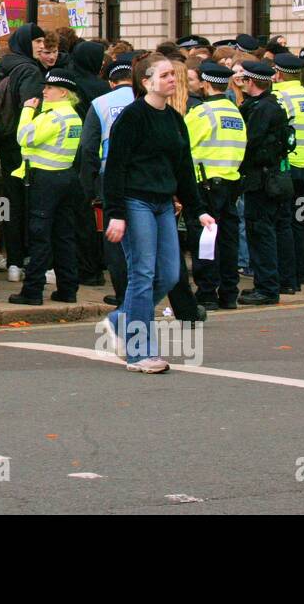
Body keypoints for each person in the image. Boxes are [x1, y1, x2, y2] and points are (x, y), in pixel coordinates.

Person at [101, 53, 214, 373]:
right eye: (164, 75)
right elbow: (115, 169)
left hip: (164, 204)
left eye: (172, 75)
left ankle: (120, 319)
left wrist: (199, 210)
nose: (171, 79)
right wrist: (116, 213)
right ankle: (139, 353)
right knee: (142, 273)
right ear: (146, 82)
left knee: (169, 274)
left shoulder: (175, 118)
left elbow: (183, 169)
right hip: (135, 202)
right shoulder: (132, 117)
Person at [9, 68, 83, 305]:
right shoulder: (73, 116)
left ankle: (32, 291)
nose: (44, 91)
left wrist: (28, 110)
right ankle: (68, 289)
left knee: (40, 236)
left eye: (49, 88)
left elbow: (23, 137)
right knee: (64, 235)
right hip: (66, 177)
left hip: (44, 181)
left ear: (63, 92)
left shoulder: (51, 117)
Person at [184, 61, 246, 310]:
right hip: (231, 182)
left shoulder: (201, 112)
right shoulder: (235, 112)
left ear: (206, 84)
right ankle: (229, 292)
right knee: (228, 240)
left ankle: (207, 292)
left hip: (206, 184)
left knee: (205, 240)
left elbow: (184, 147)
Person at [0, 24, 47, 282]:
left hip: (4, 145)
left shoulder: (5, 68)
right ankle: (28, 260)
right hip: (24, 146)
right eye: (37, 42)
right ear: (27, 44)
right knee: (29, 204)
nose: (42, 47)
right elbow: (30, 106)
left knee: (7, 204)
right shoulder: (31, 71)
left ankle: (12, 260)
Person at [79, 52, 137, 305]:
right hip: (143, 177)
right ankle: (141, 291)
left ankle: (123, 293)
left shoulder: (101, 103)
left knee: (115, 237)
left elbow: (89, 148)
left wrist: (88, 186)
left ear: (111, 82)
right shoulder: (145, 100)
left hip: (109, 178)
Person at [235, 61, 293, 305]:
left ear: (251, 81)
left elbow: (250, 142)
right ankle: (265, 283)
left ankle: (267, 288)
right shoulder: (269, 104)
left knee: (261, 232)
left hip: (261, 179)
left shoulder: (261, 109)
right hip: (268, 177)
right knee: (264, 231)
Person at [272, 53, 304, 289]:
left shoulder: (280, 97)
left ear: (279, 74)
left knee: (285, 223)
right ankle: (303, 273)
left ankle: (287, 276)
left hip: (286, 171)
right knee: (302, 221)